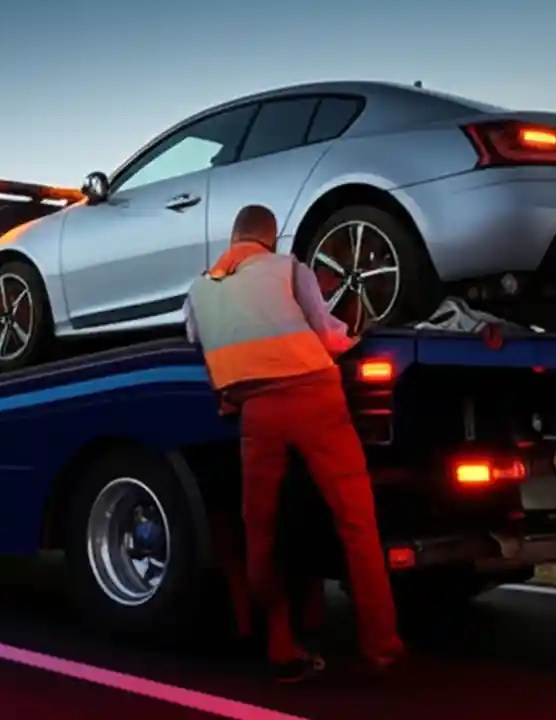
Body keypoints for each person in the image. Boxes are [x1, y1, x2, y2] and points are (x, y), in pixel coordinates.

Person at [183, 204, 405, 683]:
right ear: (271, 238)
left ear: (234, 237)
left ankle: (280, 644)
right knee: (355, 521)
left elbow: (197, 339)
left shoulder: (199, 290)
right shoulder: (288, 268)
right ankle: (380, 645)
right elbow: (326, 334)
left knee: (260, 529)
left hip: (256, 412)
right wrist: (354, 334)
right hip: (316, 400)